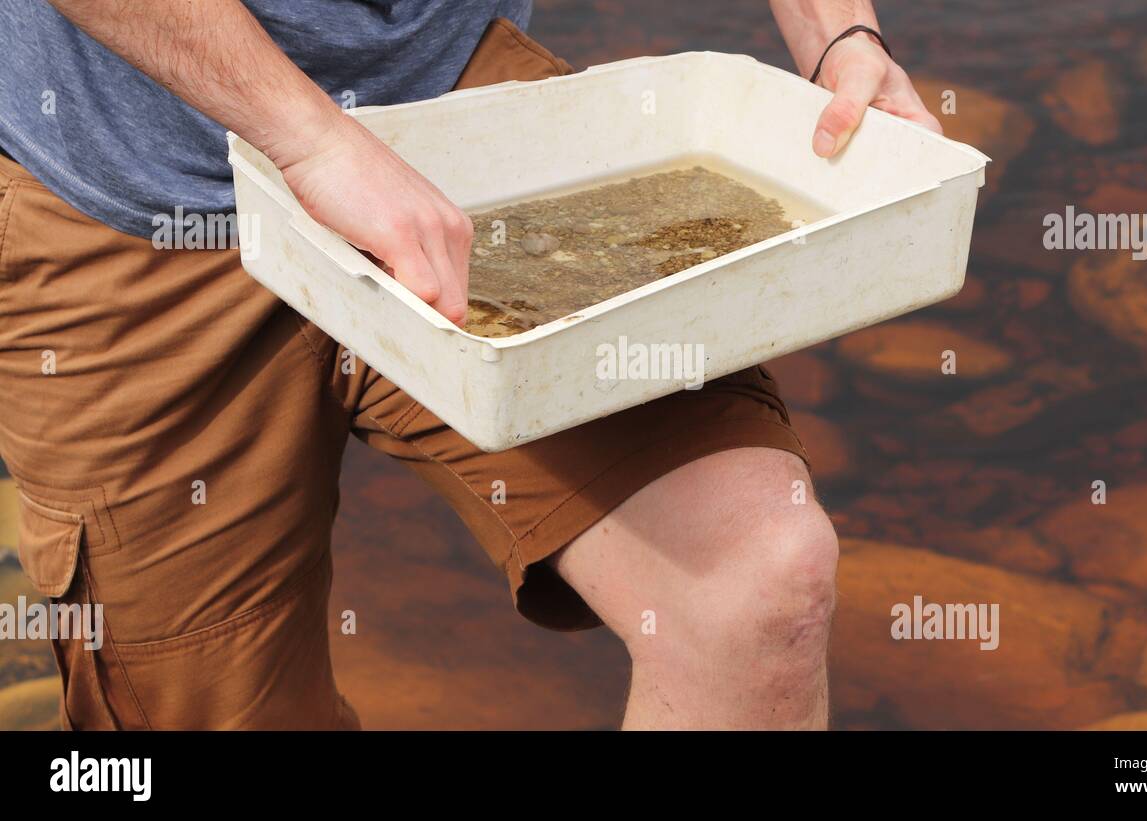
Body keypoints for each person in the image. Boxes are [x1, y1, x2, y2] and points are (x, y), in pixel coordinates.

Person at [0, 0, 939, 730]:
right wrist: (316, 141)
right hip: (129, 187)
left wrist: (837, 40)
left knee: (756, 581)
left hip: (476, 137)